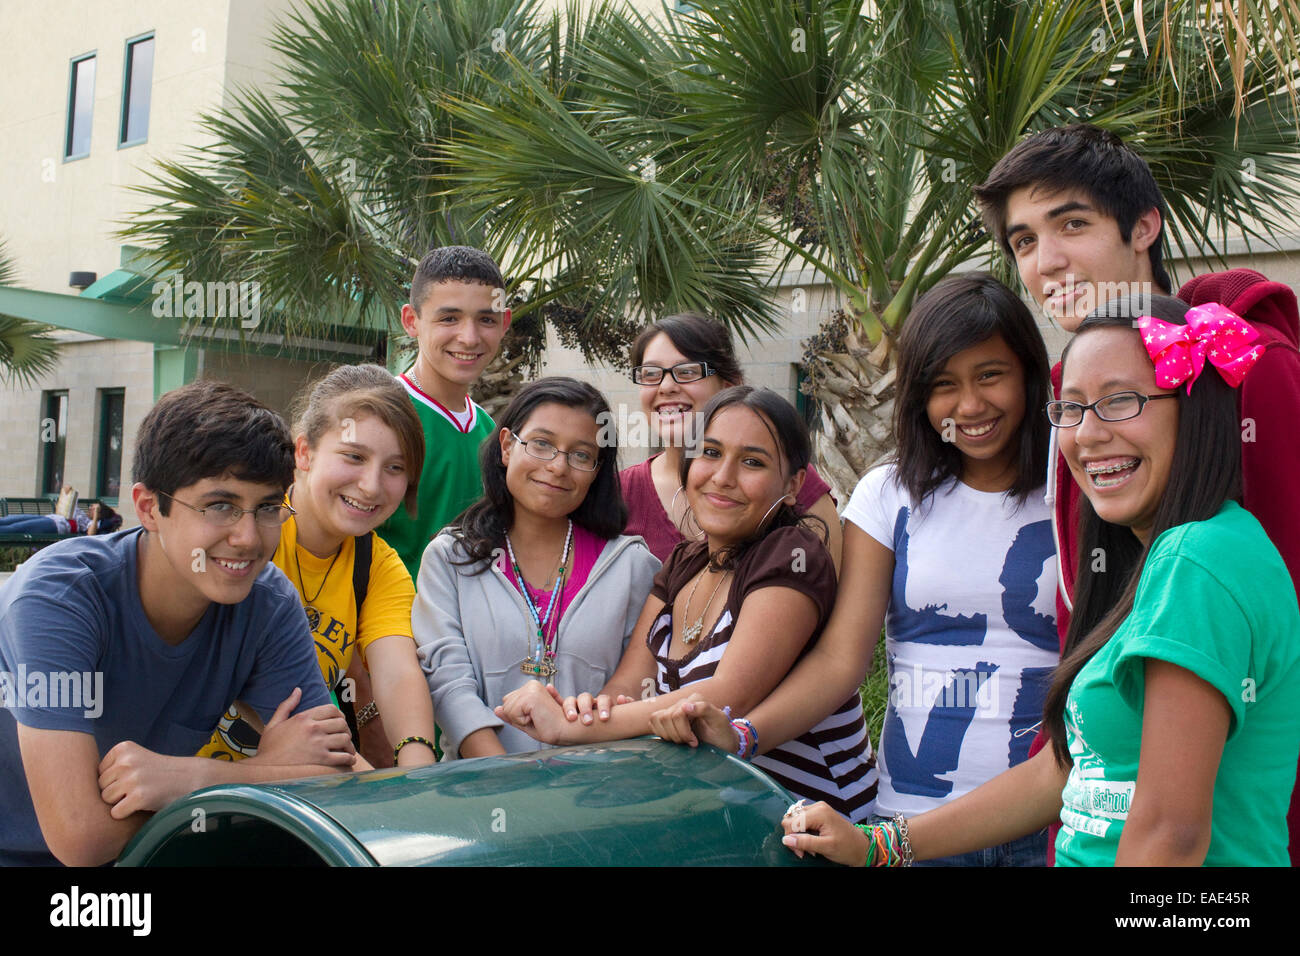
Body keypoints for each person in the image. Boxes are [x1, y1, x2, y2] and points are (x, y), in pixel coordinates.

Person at [780, 295, 1300, 866]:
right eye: (1073, 409)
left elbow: (1169, 835)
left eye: (1121, 402)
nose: (1088, 434)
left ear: (1192, 404)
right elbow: (1067, 767)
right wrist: (882, 844)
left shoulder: (1198, 560)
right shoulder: (1157, 557)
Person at [647, 276, 1059, 864]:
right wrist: (745, 734)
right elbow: (843, 661)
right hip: (914, 824)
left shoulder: (1075, 485)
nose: (969, 405)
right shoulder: (888, 493)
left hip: (1052, 822)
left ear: (1028, 373)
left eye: (990, 375)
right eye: (944, 385)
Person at [974, 122, 1300, 861]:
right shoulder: (1072, 399)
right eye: (1023, 241)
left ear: (1145, 226)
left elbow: (1279, 625)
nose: (1046, 261)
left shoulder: (1248, 366)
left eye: (1073, 224)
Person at [0, 381, 356, 866]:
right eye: (220, 506)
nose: (249, 538)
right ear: (149, 507)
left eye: (268, 508)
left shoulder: (266, 600)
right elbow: (80, 837)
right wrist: (263, 771)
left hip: (142, 851)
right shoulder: (59, 597)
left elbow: (329, 772)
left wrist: (188, 780)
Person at [496, 387, 877, 822]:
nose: (723, 476)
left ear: (792, 484)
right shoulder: (685, 561)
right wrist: (585, 711)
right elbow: (627, 687)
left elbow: (727, 698)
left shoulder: (791, 555)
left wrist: (565, 730)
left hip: (814, 822)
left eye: (752, 462)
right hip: (726, 816)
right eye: (710, 452)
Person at [198, 364, 437, 770]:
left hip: (291, 795)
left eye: (395, 468)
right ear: (304, 452)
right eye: (354, 457)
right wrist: (367, 782)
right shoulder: (248, 539)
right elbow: (271, 693)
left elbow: (397, 673)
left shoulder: (379, 566)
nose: (372, 485)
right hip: (188, 787)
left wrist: (418, 768)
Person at [415, 378, 660, 759]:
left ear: (596, 470)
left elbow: (633, 693)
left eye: (580, 455)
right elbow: (449, 685)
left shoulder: (633, 567)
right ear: (508, 446)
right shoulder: (450, 558)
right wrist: (501, 777)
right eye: (542, 444)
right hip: (481, 788)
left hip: (595, 790)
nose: (558, 467)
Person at [622, 312, 844, 571]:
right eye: (650, 373)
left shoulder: (785, 479)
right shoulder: (619, 494)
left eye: (687, 372)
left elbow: (834, 592)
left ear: (729, 386)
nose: (666, 386)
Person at [378, 245, 510, 579]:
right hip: (385, 625)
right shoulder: (378, 415)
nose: (469, 337)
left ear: (504, 323)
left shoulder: (491, 432)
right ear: (411, 320)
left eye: (486, 320)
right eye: (449, 318)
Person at [0, 500, 120, 536]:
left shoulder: (92, 524)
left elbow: (91, 534)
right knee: (10, 519)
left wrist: (95, 517)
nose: (90, 508)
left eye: (93, 509)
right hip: (50, 518)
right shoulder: (83, 515)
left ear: (99, 514)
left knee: (14, 528)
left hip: (54, 525)